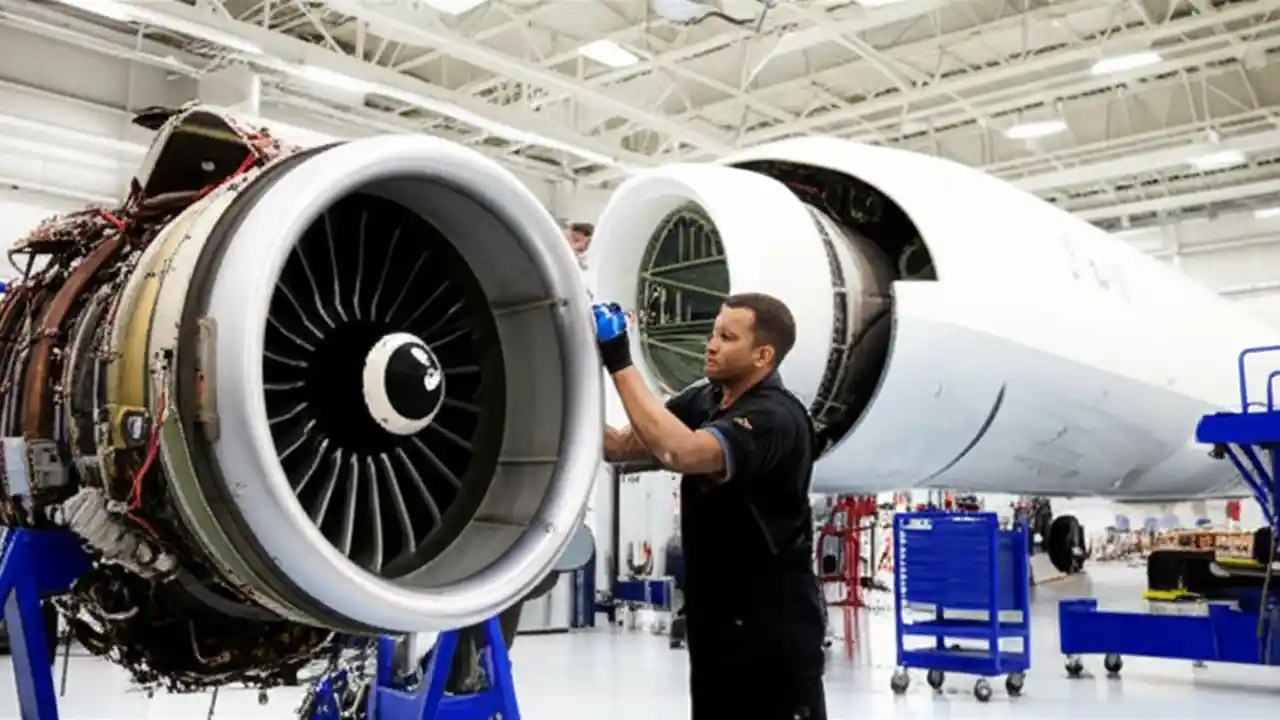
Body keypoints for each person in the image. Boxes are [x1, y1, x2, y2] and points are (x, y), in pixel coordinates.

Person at [594, 293, 827, 720]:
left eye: (727, 337)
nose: (712, 345)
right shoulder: (705, 401)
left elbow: (680, 452)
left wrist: (619, 360)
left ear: (762, 356)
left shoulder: (775, 418)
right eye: (714, 333)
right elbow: (622, 447)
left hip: (773, 638)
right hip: (714, 626)